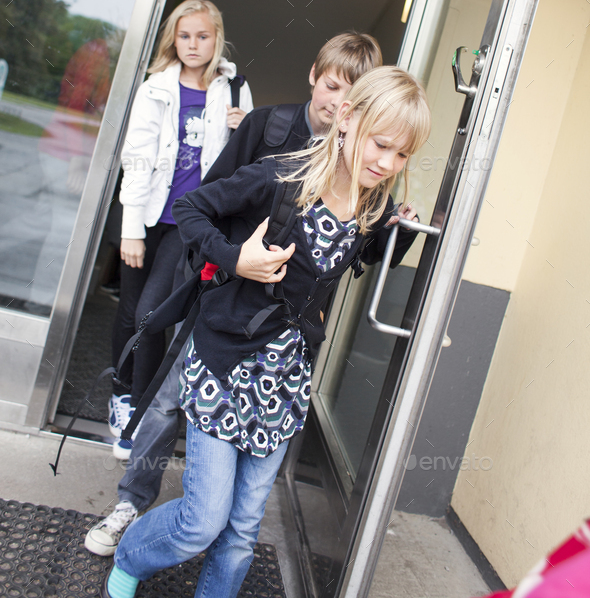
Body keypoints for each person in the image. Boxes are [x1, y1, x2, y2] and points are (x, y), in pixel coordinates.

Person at [98, 65, 431, 598]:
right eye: (380, 144)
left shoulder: (374, 204)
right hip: (226, 364)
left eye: (401, 155)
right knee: (203, 521)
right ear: (346, 117)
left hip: (285, 380)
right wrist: (236, 259)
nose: (386, 164)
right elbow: (191, 208)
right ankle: (133, 557)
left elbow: (358, 255)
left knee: (241, 531)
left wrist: (399, 231)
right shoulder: (282, 176)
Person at [108, 0, 253, 460]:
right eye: (184, 35)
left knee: (151, 315)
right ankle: (122, 395)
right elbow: (136, 158)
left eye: (203, 36)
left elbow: (248, 168)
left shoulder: (235, 88)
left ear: (217, 37)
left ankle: (141, 413)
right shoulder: (157, 87)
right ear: (174, 37)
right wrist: (130, 229)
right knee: (131, 312)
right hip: (146, 215)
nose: (193, 45)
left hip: (186, 224)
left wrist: (244, 127)